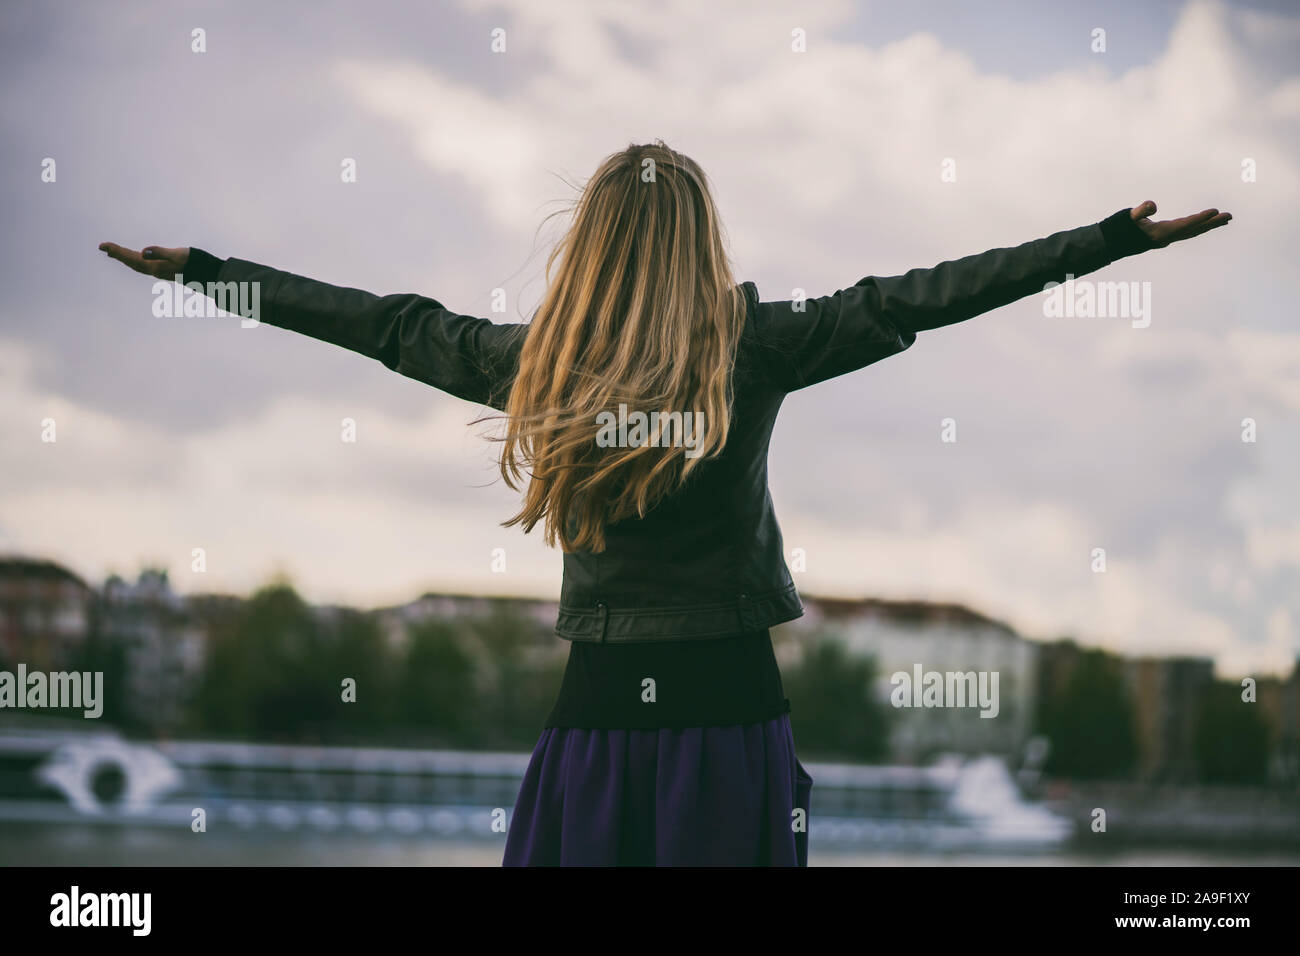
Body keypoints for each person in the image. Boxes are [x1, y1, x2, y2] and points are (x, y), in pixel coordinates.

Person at [100, 140, 1231, 866]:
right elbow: (928, 297)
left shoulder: (529, 363)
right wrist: (1109, 241)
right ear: (700, 242)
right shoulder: (757, 347)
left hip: (595, 719)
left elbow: (381, 323)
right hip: (734, 721)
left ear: (590, 245)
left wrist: (207, 272)